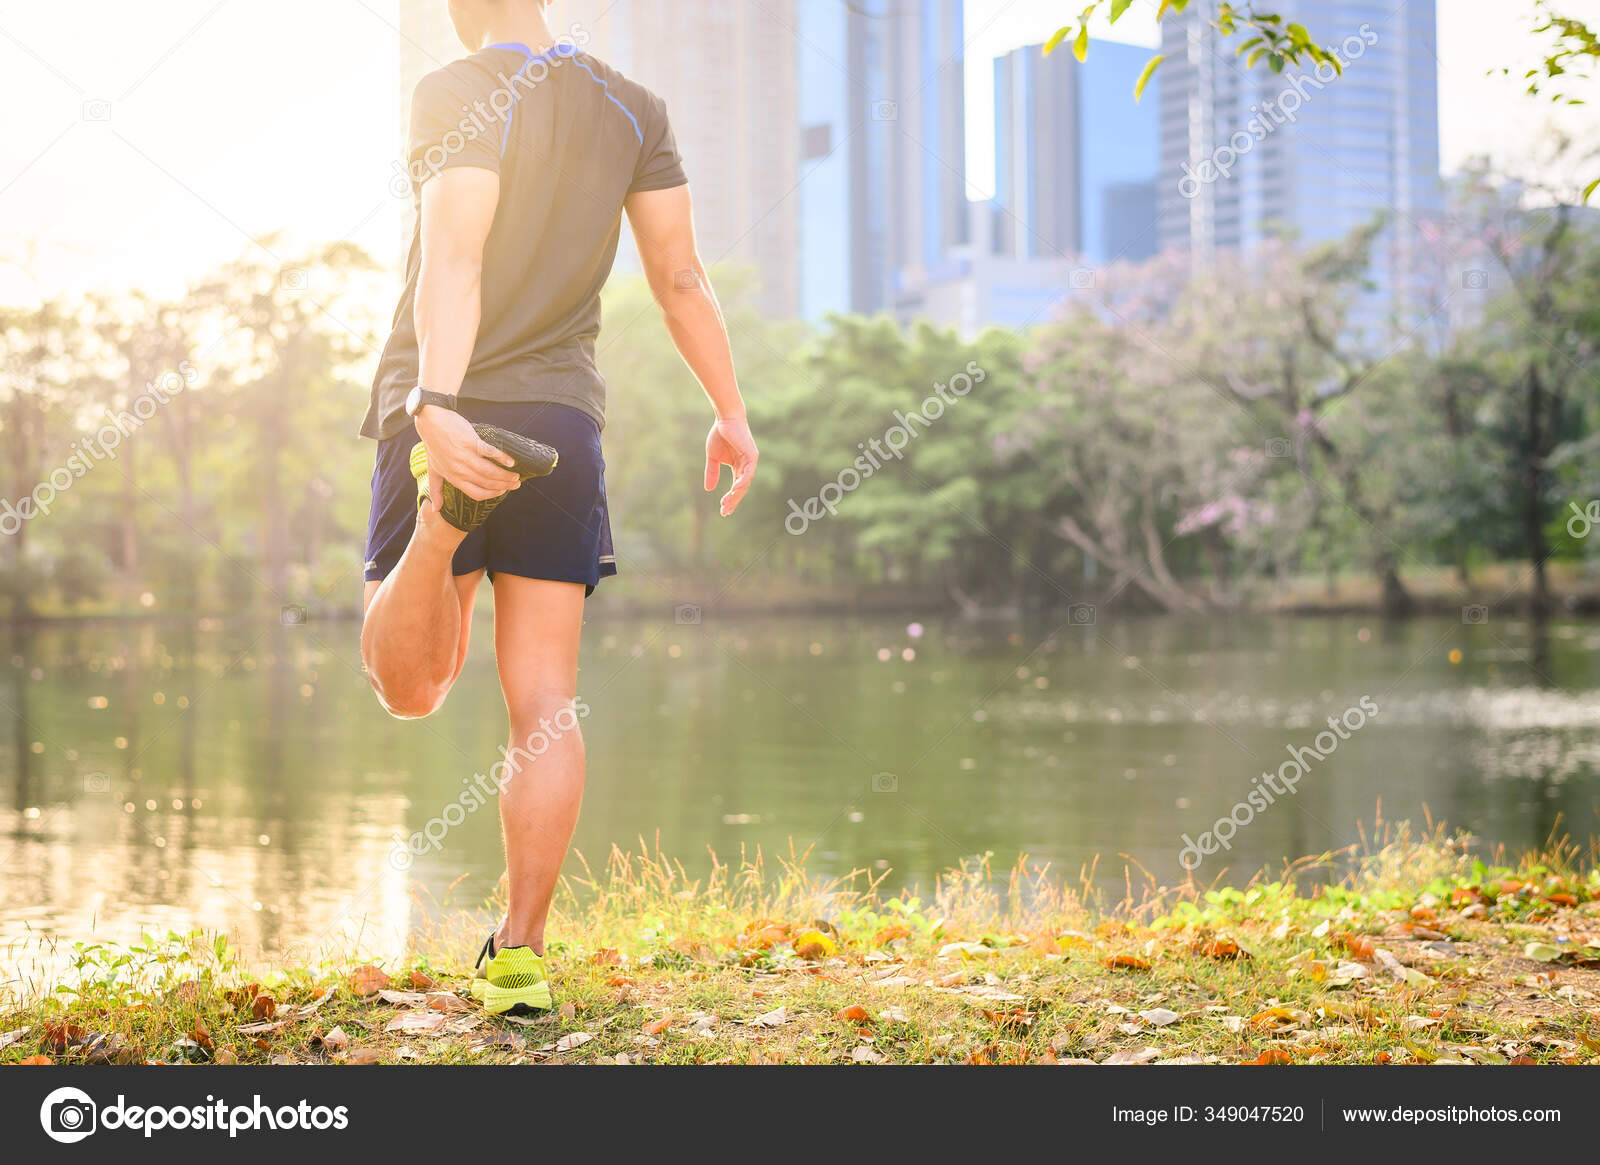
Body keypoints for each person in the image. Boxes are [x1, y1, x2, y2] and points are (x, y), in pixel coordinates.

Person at [358, 0, 757, 1015]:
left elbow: (455, 250)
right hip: (557, 420)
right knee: (545, 702)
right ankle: (521, 954)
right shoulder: (630, 107)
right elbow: (678, 274)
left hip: (444, 407)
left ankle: (444, 519)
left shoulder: (454, 86)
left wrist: (437, 404)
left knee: (411, 689)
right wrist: (730, 410)